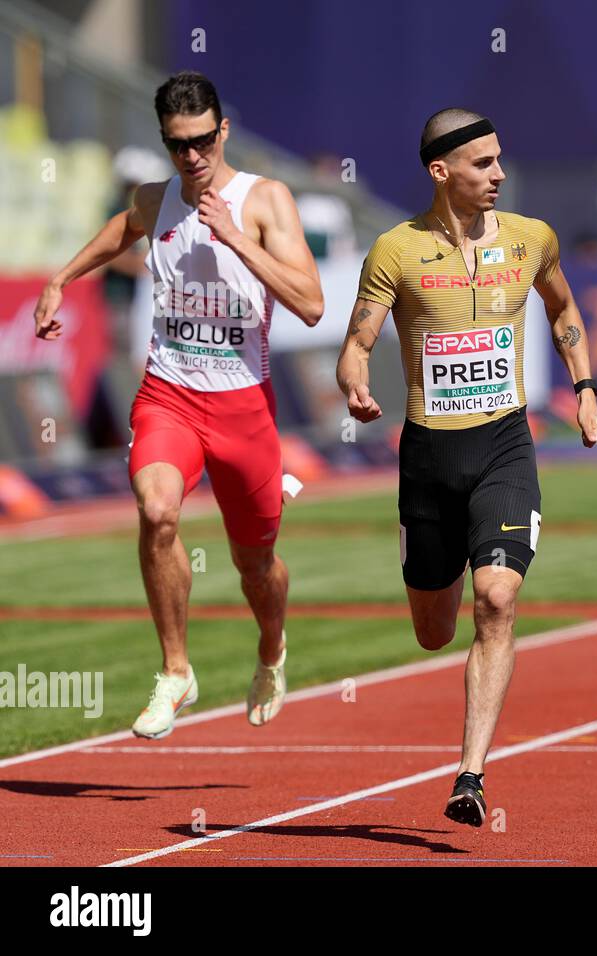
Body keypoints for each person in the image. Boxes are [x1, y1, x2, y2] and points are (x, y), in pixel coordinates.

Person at [33, 71, 324, 739]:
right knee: (156, 509)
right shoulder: (155, 197)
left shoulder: (264, 199)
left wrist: (236, 238)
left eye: (201, 142)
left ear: (222, 132)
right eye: (176, 145)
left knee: (255, 564)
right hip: (168, 394)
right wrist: (61, 277)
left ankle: (272, 646)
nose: (191, 158)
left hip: (243, 407)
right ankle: (176, 670)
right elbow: (122, 228)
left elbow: (310, 304)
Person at [335, 109, 597, 826]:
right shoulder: (395, 250)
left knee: (496, 598)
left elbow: (564, 307)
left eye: (499, 160)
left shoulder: (532, 239)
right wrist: (355, 379)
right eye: (483, 164)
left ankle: (470, 775)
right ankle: (433, 564)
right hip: (428, 457)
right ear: (441, 171)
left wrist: (584, 390)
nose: (499, 174)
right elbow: (357, 340)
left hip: (504, 448)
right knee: (433, 629)